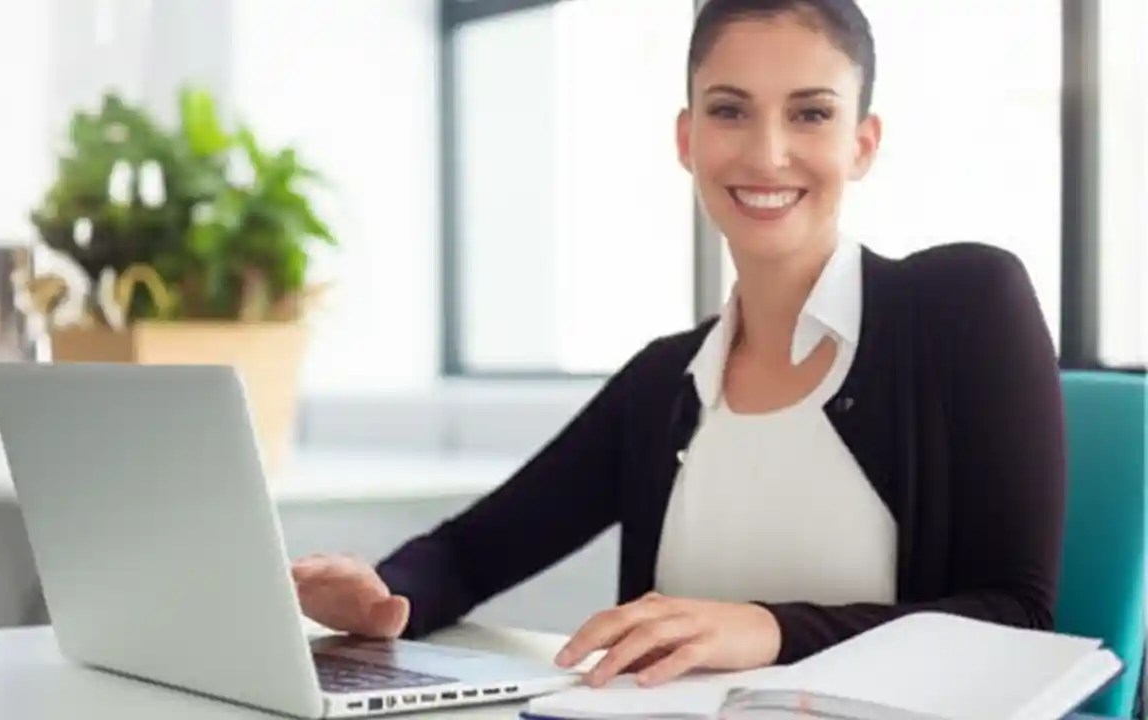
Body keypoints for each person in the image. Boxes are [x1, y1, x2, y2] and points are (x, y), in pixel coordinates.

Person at [291, 0, 1065, 690]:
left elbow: (1015, 617)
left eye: (811, 114)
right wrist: (378, 594)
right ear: (687, 138)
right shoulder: (665, 381)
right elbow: (474, 553)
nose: (766, 154)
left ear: (863, 143)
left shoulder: (965, 305)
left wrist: (762, 630)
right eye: (730, 111)